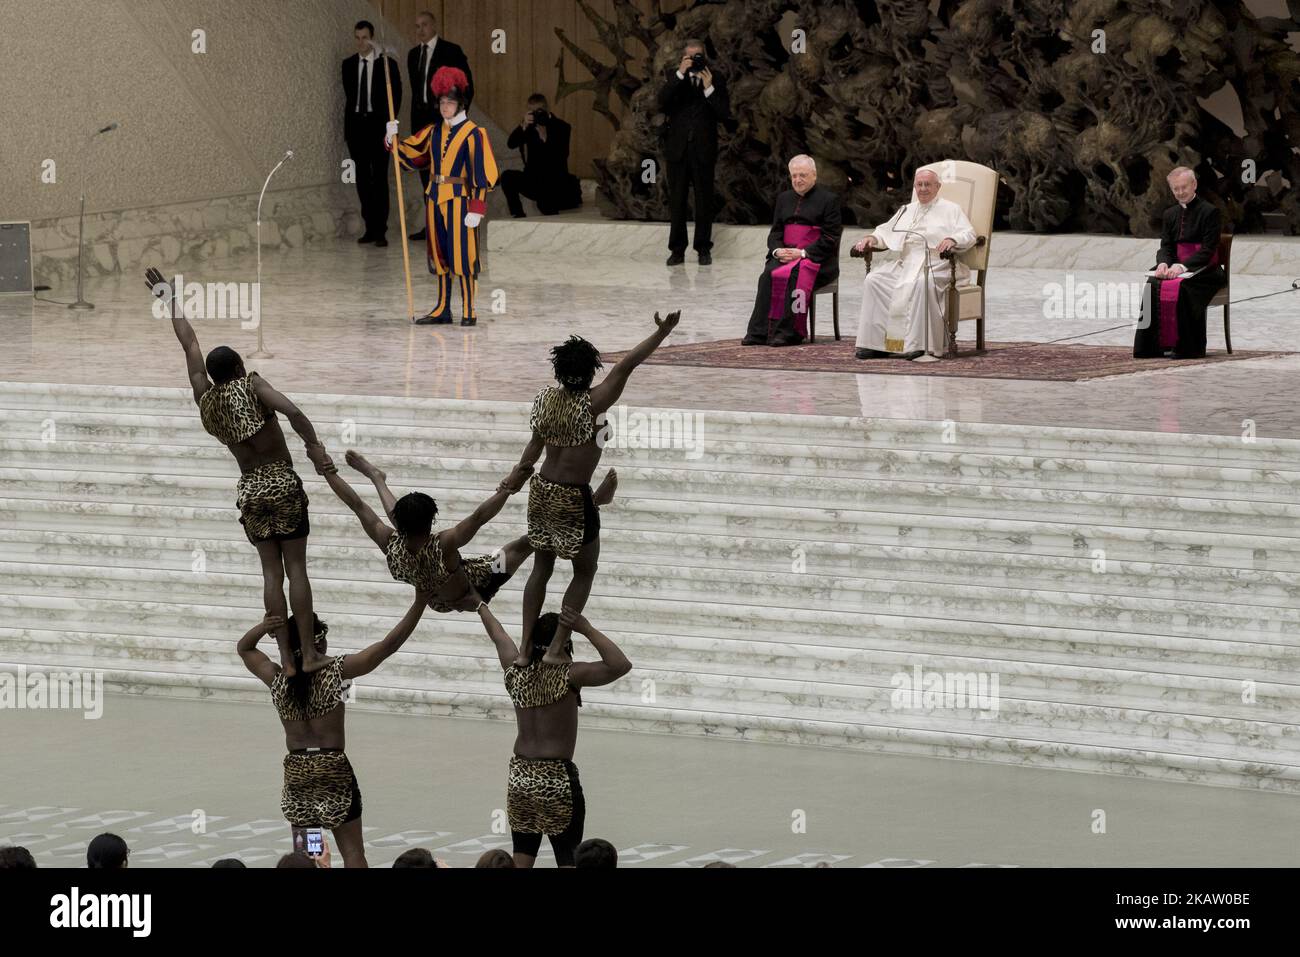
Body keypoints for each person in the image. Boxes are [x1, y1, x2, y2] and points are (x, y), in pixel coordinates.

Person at [145, 266, 332, 676]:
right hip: (282, 482)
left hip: (250, 490)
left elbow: (190, 344)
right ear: (241, 367)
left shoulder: (206, 400)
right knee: (296, 570)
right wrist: (315, 449)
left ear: (211, 376)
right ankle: (309, 651)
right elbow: (294, 412)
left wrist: (170, 299)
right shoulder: (253, 386)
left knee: (271, 574)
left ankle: (285, 658)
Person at [512, 310, 681, 649]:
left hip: (542, 490)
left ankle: (525, 644)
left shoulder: (545, 399)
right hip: (573, 497)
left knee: (540, 570)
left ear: (559, 371)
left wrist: (514, 478)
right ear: (591, 371)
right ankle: (557, 646)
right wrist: (663, 332)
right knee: (584, 571)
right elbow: (628, 364)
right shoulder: (595, 402)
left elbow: (534, 446)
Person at [237, 592, 440, 868]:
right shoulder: (335, 670)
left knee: (308, 854)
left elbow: (245, 648)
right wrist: (419, 603)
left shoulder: (277, 678)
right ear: (317, 640)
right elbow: (387, 645)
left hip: (298, 774)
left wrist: (265, 627)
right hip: (333, 770)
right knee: (352, 852)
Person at [470, 604, 631, 868]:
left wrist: (480, 606)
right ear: (564, 642)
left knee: (521, 857)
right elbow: (620, 664)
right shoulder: (569, 674)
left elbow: (498, 635)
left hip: (520, 776)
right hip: (556, 779)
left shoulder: (517, 670)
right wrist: (586, 628)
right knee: (568, 859)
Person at [323, 451, 535, 614]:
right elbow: (479, 517)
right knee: (524, 544)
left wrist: (326, 471)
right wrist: (507, 489)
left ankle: (377, 477)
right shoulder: (444, 543)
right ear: (432, 519)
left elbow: (356, 505)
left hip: (435, 600)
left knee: (399, 522)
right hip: (475, 586)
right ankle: (377, 478)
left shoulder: (390, 543)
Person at [387, 66, 498, 326]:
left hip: (460, 201)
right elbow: (411, 156)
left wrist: (477, 207)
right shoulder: (434, 131)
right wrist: (392, 139)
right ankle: (442, 308)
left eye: (450, 102)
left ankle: (469, 309)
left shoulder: (474, 134)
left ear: (462, 103)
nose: (445, 106)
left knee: (463, 256)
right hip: (435, 198)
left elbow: (482, 173)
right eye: (442, 101)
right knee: (440, 255)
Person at [852, 169, 976, 360]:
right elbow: (886, 232)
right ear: (915, 187)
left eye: (928, 184)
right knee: (874, 280)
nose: (923, 189)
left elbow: (969, 234)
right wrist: (871, 238)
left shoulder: (951, 209)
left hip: (937, 263)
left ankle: (919, 345)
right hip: (906, 263)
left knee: (921, 284)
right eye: (919, 185)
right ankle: (877, 344)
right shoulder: (906, 210)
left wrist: (952, 239)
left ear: (937, 187)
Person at [741, 155, 842, 346]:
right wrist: (777, 251)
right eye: (794, 176)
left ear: (814, 175)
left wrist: (803, 253)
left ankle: (789, 332)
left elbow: (830, 237)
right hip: (786, 255)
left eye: (802, 175)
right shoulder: (784, 198)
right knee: (767, 275)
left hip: (816, 260)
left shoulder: (830, 200)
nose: (797, 180)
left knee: (795, 274)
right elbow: (775, 232)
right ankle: (760, 332)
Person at [1133, 167, 1226, 359]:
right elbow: (1166, 246)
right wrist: (1163, 264)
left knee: (1183, 287)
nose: (1180, 192)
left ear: (1194, 185)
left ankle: (1187, 347)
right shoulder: (1169, 214)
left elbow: (1208, 250)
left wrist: (1183, 266)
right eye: (1176, 189)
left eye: (1184, 187)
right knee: (1153, 284)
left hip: (1205, 268)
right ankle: (1152, 347)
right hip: (1175, 265)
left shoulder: (1210, 212)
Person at [658, 38, 731, 266]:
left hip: (703, 148)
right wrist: (680, 74)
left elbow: (724, 113)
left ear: (704, 56)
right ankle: (677, 250)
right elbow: (662, 103)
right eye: (689, 56)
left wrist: (709, 88)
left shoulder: (715, 78)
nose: (694, 60)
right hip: (678, 149)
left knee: (704, 201)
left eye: (697, 56)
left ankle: (703, 249)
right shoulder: (675, 76)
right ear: (683, 57)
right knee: (677, 200)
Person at [406, 10, 473, 240]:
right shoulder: (413, 55)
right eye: (417, 26)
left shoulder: (451, 51)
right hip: (421, 122)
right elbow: (417, 92)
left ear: (434, 25)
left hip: (443, 120)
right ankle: (433, 223)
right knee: (426, 175)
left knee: (446, 172)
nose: (420, 29)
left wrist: (455, 120)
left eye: (424, 24)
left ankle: (449, 222)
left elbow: (467, 87)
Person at [343, 20, 402, 248]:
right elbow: (351, 96)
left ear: (372, 38)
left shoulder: (386, 64)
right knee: (363, 180)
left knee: (379, 178)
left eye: (364, 38)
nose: (360, 42)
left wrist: (390, 124)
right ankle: (369, 227)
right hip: (357, 127)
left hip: (379, 128)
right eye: (357, 38)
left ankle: (381, 229)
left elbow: (396, 95)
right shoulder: (347, 64)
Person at [502, 94, 582, 218]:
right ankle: (517, 214)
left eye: (539, 111)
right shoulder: (529, 128)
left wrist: (545, 139)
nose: (536, 115)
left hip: (553, 182)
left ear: (547, 109)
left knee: (546, 206)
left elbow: (562, 156)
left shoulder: (562, 127)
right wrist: (522, 126)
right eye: (532, 112)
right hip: (533, 179)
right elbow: (511, 144)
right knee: (507, 177)